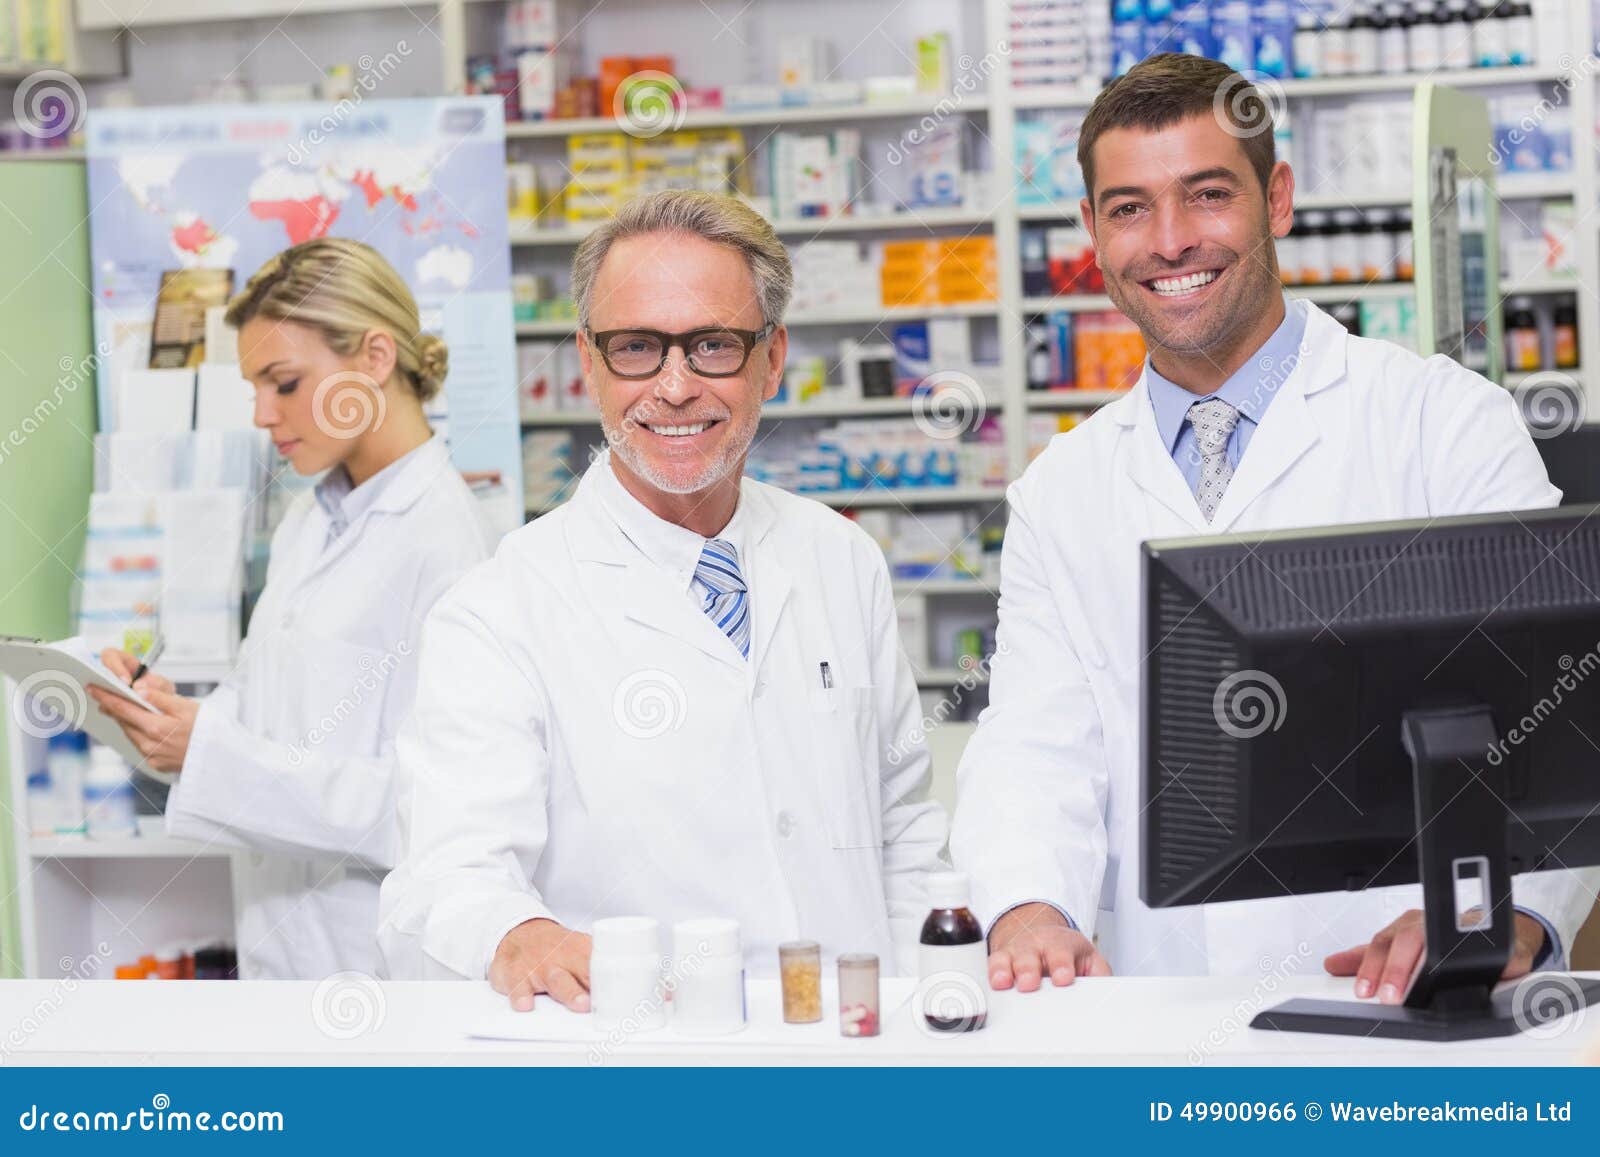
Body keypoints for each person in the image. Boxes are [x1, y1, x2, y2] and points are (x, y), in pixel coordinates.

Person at [951, 53, 1597, 1004]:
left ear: (1277, 200)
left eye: (1207, 194)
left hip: (1409, 992)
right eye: (1129, 208)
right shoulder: (1062, 487)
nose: (1170, 241)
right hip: (1161, 1008)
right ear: (1092, 230)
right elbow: (1037, 741)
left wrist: (1508, 908)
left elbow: (1556, 713)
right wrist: (1029, 906)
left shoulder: (1438, 420)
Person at [378, 189, 947, 1007]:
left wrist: (920, 1004)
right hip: (643, 1066)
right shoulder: (498, 609)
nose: (674, 387)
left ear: (773, 358)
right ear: (588, 360)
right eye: (637, 347)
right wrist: (518, 934)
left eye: (713, 344)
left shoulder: (841, 557)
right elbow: (449, 870)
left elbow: (905, 831)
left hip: (857, 1051)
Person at [89, 238, 490, 980]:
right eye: (254, 388)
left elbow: (421, 805)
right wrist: (176, 715)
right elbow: (269, 698)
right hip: (279, 944)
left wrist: (208, 750)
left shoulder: (448, 546)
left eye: (283, 382)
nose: (263, 414)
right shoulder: (311, 517)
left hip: (370, 966)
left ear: (373, 358)